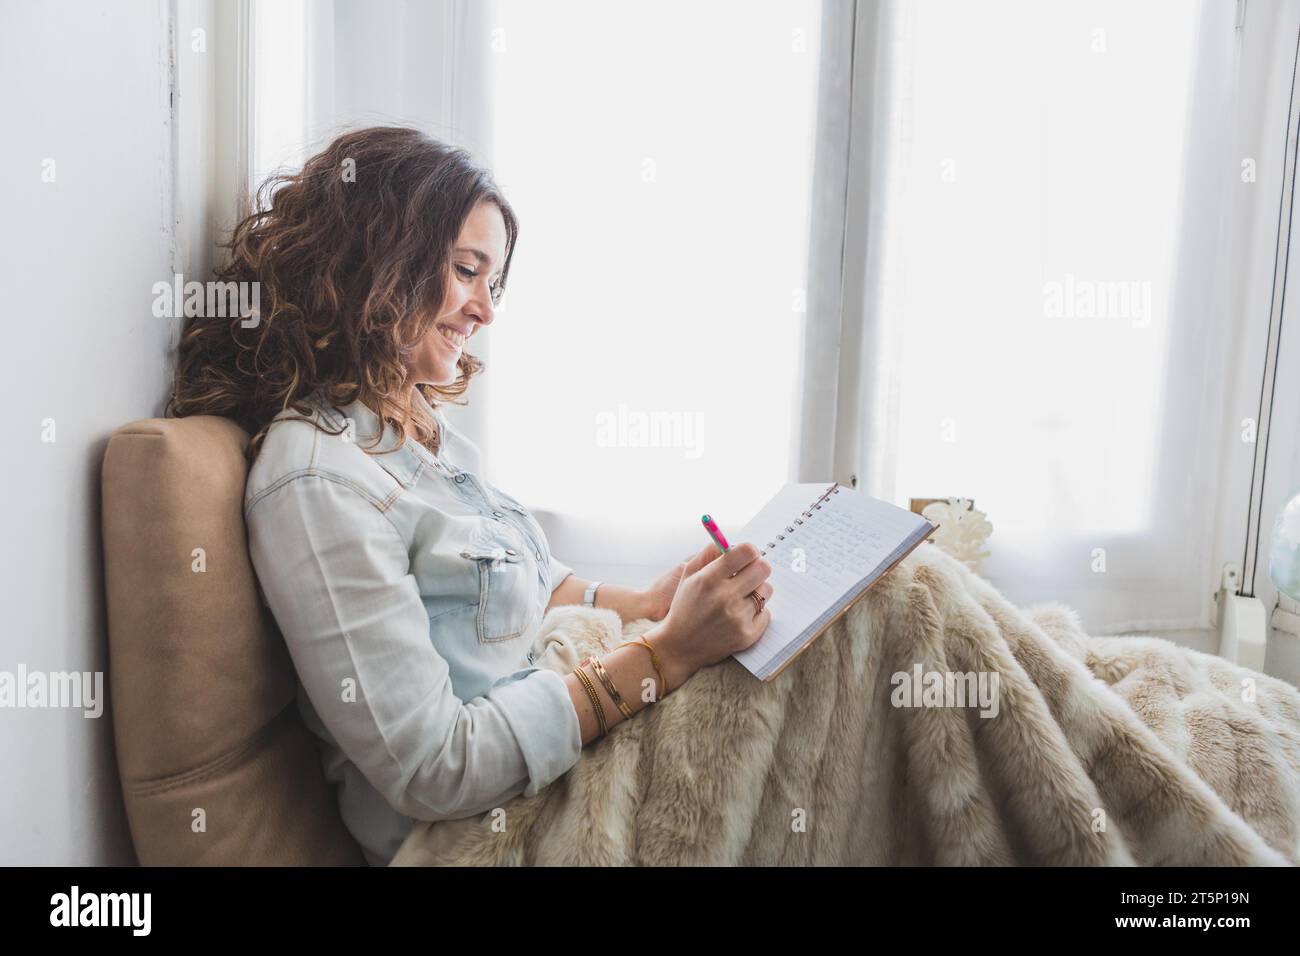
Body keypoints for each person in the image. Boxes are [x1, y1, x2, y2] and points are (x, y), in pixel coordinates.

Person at [168, 126, 774, 865]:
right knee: (878, 625)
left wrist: (643, 604)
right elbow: (434, 768)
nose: (485, 310)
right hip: (499, 828)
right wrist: (666, 654)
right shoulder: (317, 481)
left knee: (861, 611)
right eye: (464, 271)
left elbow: (522, 583)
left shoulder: (419, 430)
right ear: (375, 261)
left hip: (560, 759)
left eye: (494, 283)